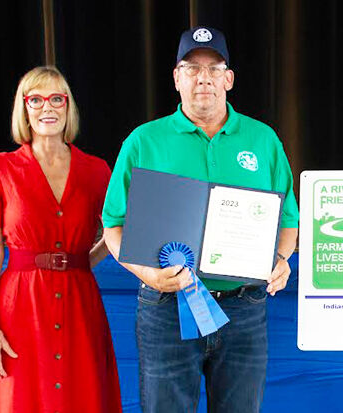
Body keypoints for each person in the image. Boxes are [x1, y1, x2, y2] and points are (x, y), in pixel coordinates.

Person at [102, 26, 299, 412]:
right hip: (166, 308)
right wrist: (148, 274)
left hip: (244, 308)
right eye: (192, 68)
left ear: (229, 78)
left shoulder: (263, 140)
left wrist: (281, 260)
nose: (203, 78)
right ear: (177, 78)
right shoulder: (144, 141)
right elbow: (113, 227)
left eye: (214, 68)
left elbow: (287, 220)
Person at [0, 66, 121, 412]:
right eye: (35, 99)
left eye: (56, 98)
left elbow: (116, 233)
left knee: (81, 397)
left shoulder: (96, 171)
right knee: (19, 399)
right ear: (23, 109)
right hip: (19, 307)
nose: (46, 107)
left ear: (68, 107)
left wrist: (82, 260)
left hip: (80, 305)